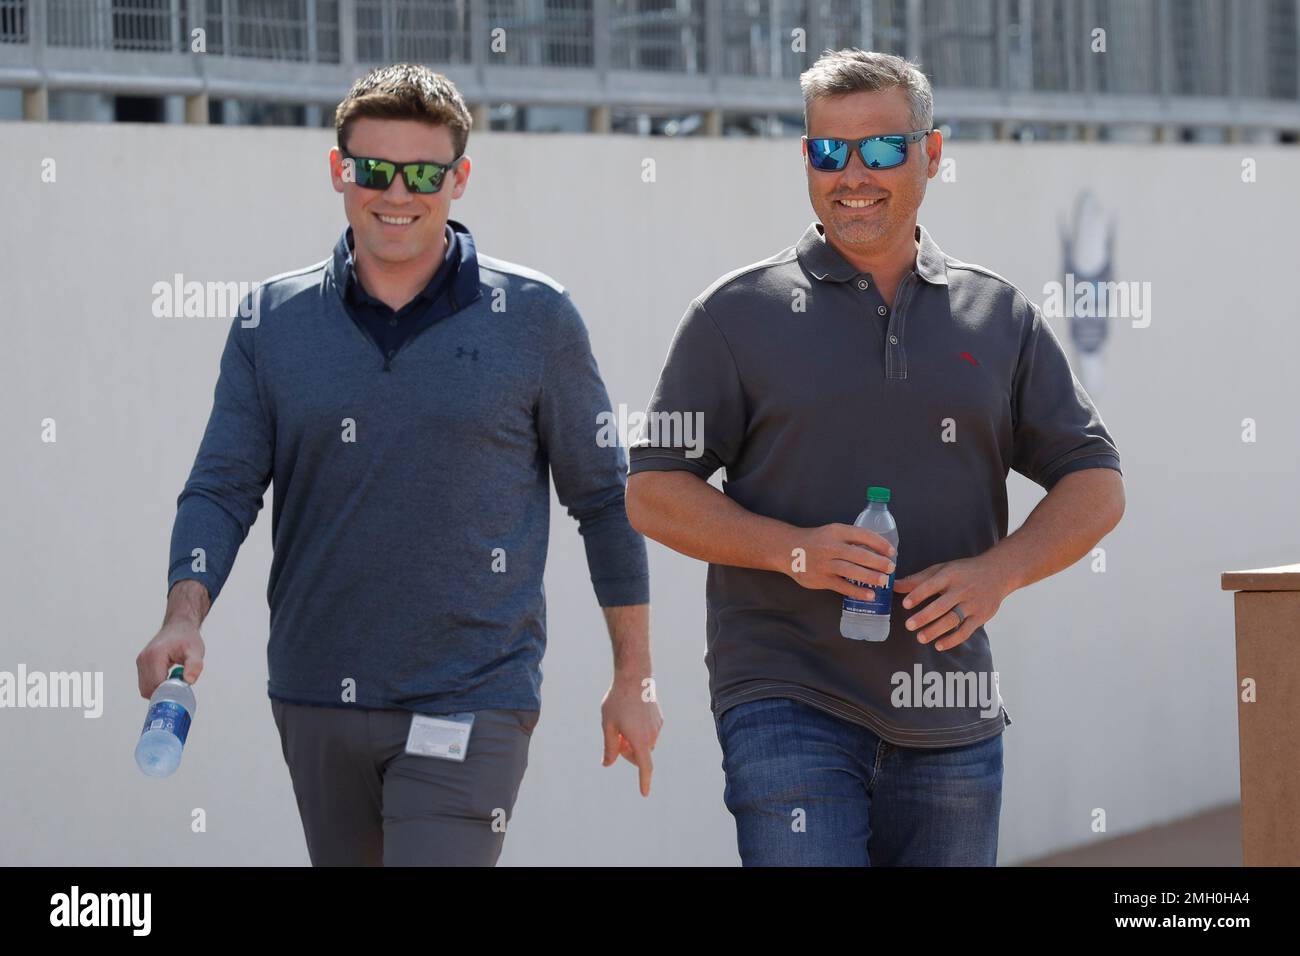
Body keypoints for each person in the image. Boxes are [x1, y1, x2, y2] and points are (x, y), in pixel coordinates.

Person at [136, 63, 660, 866]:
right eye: (374, 170)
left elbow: (603, 501)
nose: (397, 193)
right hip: (316, 693)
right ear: (338, 169)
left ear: (460, 180)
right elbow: (222, 487)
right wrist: (184, 615)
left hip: (473, 696)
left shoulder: (537, 319)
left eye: (423, 174)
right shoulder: (271, 322)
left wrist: (634, 678)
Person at [625, 48, 1124, 866]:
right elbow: (652, 489)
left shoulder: (998, 314)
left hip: (951, 708)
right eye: (830, 151)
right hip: (786, 697)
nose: (853, 174)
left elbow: (1096, 481)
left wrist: (999, 573)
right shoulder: (733, 314)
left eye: (883, 148)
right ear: (806, 159)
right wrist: (793, 551)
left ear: (933, 153)